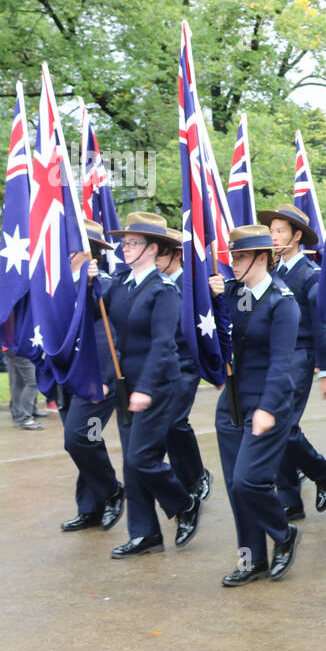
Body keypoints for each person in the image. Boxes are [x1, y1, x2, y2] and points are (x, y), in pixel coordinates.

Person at [96, 212, 205, 559]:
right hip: (127, 385)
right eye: (124, 242)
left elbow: (164, 345)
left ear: (152, 247)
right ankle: (145, 534)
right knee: (131, 462)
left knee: (142, 458)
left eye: (133, 243)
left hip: (157, 385)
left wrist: (145, 388)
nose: (124, 248)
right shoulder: (120, 283)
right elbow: (96, 314)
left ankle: (184, 502)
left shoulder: (164, 290)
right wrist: (85, 282)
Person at [207, 224, 301, 585]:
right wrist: (215, 295)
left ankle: (284, 533)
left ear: (263, 258)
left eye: (241, 256)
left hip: (268, 403)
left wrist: (266, 408)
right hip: (232, 402)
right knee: (234, 486)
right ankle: (251, 559)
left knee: (249, 481)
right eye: (232, 255)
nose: (233, 263)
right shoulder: (231, 293)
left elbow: (281, 363)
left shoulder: (283, 302)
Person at [257, 203, 326, 521]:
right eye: (271, 231)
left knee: (283, 424)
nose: (274, 237)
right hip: (275, 357)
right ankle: (290, 498)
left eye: (280, 231)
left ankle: (322, 471)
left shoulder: (310, 275)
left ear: (297, 236)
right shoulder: (272, 273)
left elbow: (319, 325)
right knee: (274, 426)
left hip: (300, 356)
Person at [58, 220, 126, 533]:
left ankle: (112, 491)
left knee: (80, 438)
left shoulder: (106, 286)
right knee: (86, 442)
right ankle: (91, 508)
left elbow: (108, 336)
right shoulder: (58, 286)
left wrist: (107, 378)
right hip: (66, 378)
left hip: (96, 380)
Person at [153, 227, 211, 504]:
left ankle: (197, 475)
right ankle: (184, 474)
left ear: (175, 254)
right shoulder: (153, 284)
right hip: (162, 365)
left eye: (159, 254)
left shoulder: (192, 286)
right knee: (166, 426)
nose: (154, 261)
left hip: (186, 363)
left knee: (175, 422)